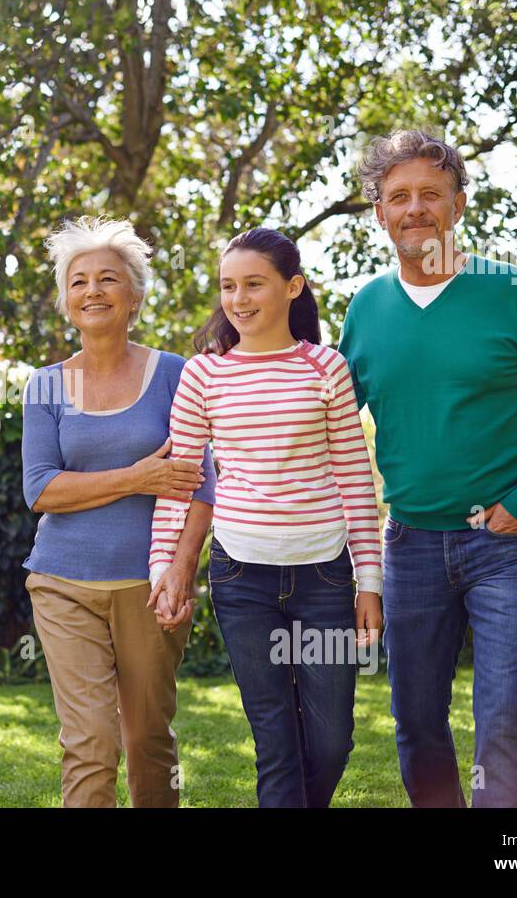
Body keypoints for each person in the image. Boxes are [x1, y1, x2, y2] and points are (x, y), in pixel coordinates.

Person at [338, 129, 517, 807]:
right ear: (379, 214)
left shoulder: (510, 291)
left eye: (431, 193)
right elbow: (329, 425)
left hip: (507, 545)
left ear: (457, 206)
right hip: (411, 545)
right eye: (399, 197)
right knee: (418, 724)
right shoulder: (365, 310)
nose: (414, 207)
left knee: (505, 716)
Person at [151, 228, 383, 808]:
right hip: (240, 577)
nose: (240, 299)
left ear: (292, 287)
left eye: (254, 284)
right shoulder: (203, 375)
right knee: (276, 742)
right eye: (229, 287)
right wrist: (165, 567)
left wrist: (370, 584)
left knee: (331, 741)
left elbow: (357, 479)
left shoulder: (326, 368)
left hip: (324, 576)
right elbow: (181, 483)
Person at [20, 216, 216, 808]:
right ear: (66, 300)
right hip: (62, 582)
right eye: (78, 282)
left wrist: (183, 569)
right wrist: (138, 477)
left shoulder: (176, 375)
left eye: (108, 279)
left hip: (149, 585)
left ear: (134, 295)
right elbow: (41, 490)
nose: (93, 291)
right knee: (91, 741)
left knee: (148, 738)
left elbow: (203, 482)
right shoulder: (45, 386)